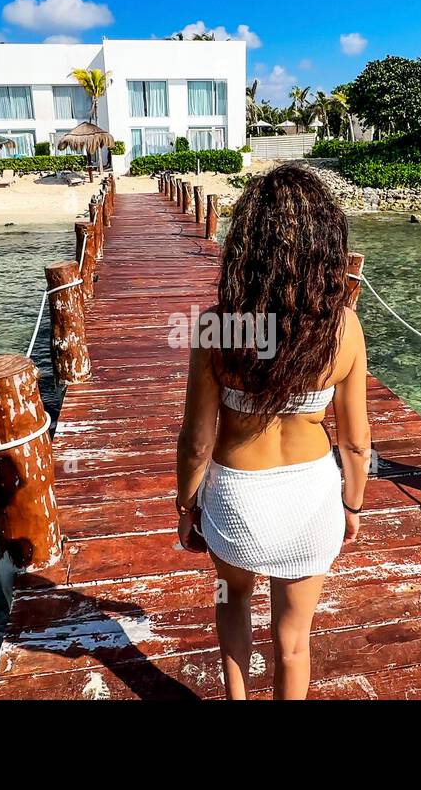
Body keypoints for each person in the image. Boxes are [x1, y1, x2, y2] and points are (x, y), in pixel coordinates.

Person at [174, 164, 371, 700]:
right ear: (324, 242)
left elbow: (196, 439)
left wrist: (186, 506)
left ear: (247, 243)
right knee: (294, 643)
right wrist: (352, 506)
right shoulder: (343, 326)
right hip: (310, 501)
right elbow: (355, 442)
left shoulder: (219, 325)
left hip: (237, 497)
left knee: (232, 601)